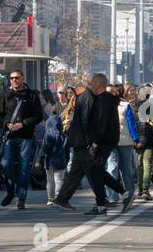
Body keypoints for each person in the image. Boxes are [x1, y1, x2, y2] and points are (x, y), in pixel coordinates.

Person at [51, 74, 129, 214]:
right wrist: (92, 141)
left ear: (97, 83)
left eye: (92, 82)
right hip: (85, 141)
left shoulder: (95, 98)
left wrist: (94, 142)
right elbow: (89, 120)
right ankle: (64, 199)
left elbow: (96, 122)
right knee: (85, 170)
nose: (90, 84)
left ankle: (105, 201)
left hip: (86, 141)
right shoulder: (92, 97)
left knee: (93, 171)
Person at [0, 69, 43, 209]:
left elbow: (38, 116)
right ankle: (11, 191)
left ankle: (21, 198)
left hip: (26, 137)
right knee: (5, 164)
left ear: (22, 78)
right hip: (9, 137)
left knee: (24, 168)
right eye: (11, 78)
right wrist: (6, 124)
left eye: (17, 78)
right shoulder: (5, 95)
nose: (14, 80)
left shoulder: (32, 95)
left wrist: (23, 124)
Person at [39, 89, 72, 203]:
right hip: (61, 161)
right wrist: (67, 160)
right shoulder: (64, 137)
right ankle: (58, 197)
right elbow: (67, 151)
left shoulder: (47, 136)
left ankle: (50, 198)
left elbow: (43, 149)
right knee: (59, 180)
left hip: (49, 162)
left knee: (50, 180)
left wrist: (40, 160)